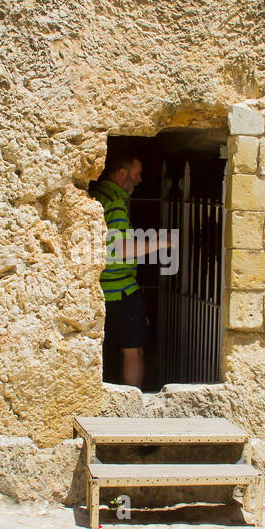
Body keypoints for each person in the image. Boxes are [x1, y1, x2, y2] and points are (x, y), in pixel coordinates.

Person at [90, 149, 169, 388]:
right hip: (122, 289)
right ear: (122, 173)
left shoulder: (97, 194)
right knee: (133, 351)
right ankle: (131, 405)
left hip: (100, 287)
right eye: (137, 173)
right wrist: (159, 243)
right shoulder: (115, 204)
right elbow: (121, 249)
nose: (140, 179)